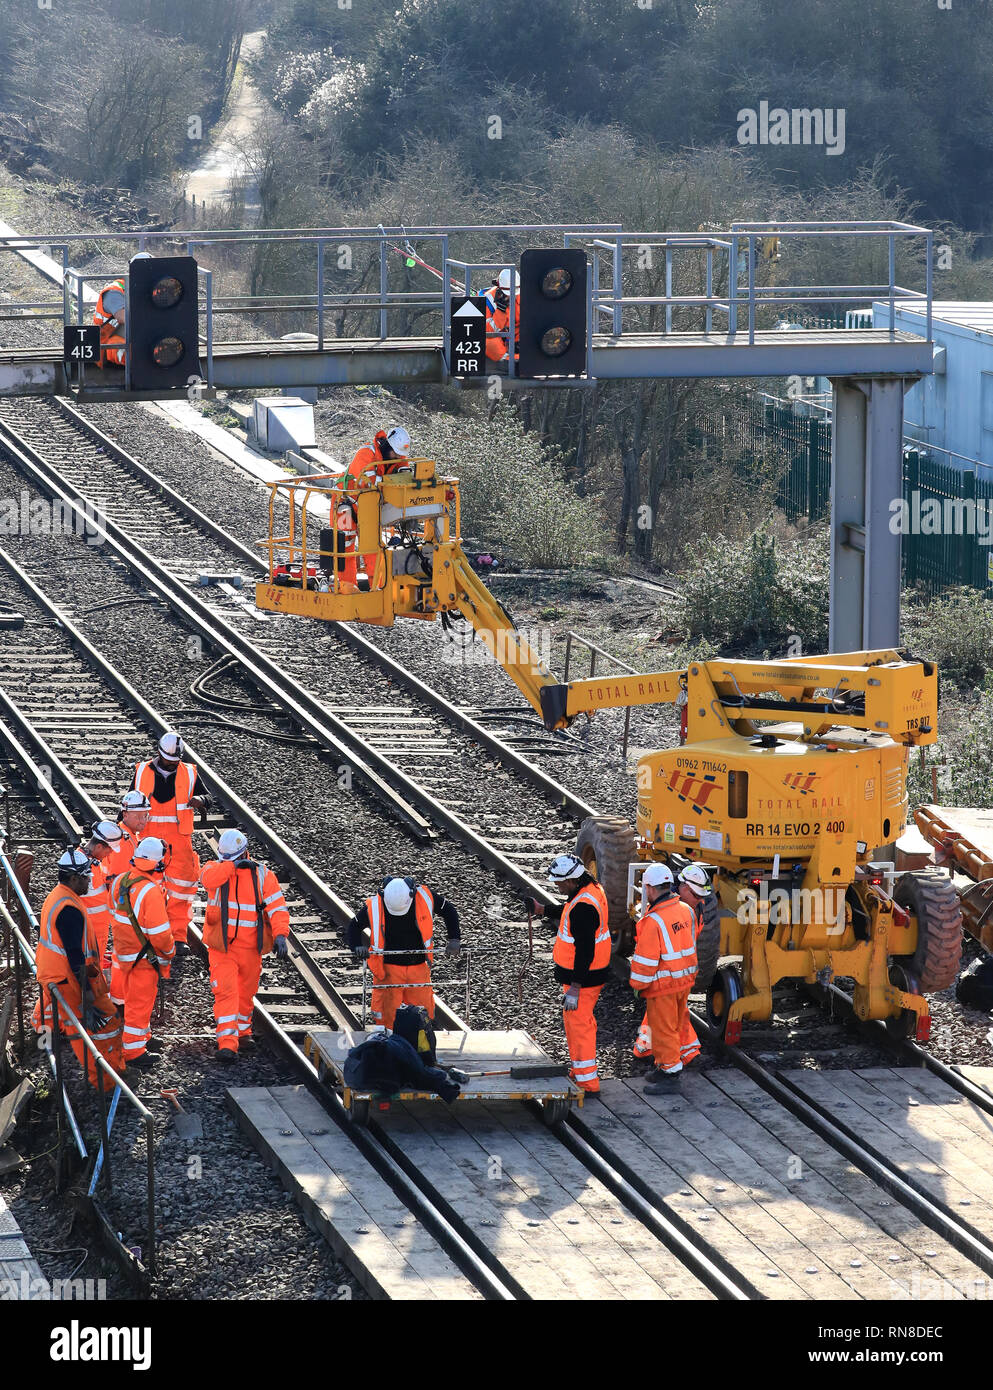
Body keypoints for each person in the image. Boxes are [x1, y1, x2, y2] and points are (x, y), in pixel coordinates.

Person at [32, 849, 123, 1090]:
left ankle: (114, 1071)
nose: (89, 882)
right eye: (85, 877)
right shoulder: (69, 908)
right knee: (87, 1029)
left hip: (59, 974)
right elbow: (74, 953)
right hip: (67, 979)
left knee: (94, 1024)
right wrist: (87, 994)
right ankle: (105, 1083)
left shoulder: (60, 896)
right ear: (73, 878)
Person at [200, 829, 290, 1064]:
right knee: (226, 992)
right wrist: (231, 865)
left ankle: (242, 1033)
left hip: (251, 948)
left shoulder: (262, 875)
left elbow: (277, 907)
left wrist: (281, 934)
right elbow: (208, 879)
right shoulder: (215, 869)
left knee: (246, 992)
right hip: (222, 948)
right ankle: (227, 1043)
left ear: (244, 853)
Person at [525, 854, 610, 1096]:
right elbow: (570, 910)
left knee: (579, 1026)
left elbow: (585, 950)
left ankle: (587, 1083)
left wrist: (575, 987)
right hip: (590, 975)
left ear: (571, 881)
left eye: (559, 883)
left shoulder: (584, 906)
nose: (557, 886)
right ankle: (581, 1072)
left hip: (583, 979)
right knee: (580, 1023)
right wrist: (543, 910)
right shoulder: (590, 890)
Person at [347, 877, 461, 1031]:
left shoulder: (425, 897)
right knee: (386, 1017)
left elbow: (449, 911)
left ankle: (420, 1041)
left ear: (411, 895)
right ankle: (387, 1042)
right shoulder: (375, 905)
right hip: (387, 970)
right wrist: (356, 946)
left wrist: (454, 938)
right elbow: (354, 926)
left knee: (421, 1015)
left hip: (418, 968)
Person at [132, 732, 209, 954]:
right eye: (169, 760)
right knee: (148, 889)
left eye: (176, 760)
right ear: (159, 753)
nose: (173, 764)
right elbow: (129, 805)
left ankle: (178, 938)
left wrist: (201, 800)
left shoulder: (189, 773)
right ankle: (147, 935)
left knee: (181, 891)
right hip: (148, 841)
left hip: (179, 843)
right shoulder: (141, 772)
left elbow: (209, 798)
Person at [632, 862, 711, 1067]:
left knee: (666, 1020)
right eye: (695, 895)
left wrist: (640, 984)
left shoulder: (688, 909)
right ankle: (660, 1050)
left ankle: (665, 1062)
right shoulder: (673, 912)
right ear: (683, 887)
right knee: (669, 1018)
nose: (699, 900)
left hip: (671, 979)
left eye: (701, 896)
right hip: (672, 978)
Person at [109, 837, 175, 1070]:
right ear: (158, 862)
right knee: (140, 1001)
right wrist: (168, 952)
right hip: (143, 958)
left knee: (133, 1000)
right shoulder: (151, 891)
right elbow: (159, 933)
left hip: (124, 954)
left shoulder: (121, 881)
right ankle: (133, 1050)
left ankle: (143, 1037)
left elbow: (113, 911)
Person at [105, 792, 152, 1007]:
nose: (144, 820)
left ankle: (119, 999)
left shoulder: (130, 836)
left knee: (121, 955)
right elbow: (119, 878)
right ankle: (119, 1001)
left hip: (123, 908)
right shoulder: (124, 840)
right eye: (139, 816)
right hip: (124, 909)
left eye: (146, 816)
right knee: (123, 955)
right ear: (125, 813)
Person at [78, 821, 126, 965]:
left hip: (95, 935)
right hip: (87, 936)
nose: (109, 854)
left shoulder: (91, 861)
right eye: (109, 850)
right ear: (99, 846)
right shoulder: (81, 865)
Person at [345, 427, 412, 488]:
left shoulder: (397, 456)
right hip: (347, 495)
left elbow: (406, 475)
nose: (399, 456)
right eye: (396, 453)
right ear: (387, 446)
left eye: (400, 454)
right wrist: (392, 481)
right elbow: (369, 482)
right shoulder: (366, 453)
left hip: (370, 496)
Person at [484, 269, 521, 365]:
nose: (512, 296)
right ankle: (508, 361)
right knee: (489, 343)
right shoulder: (489, 299)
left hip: (516, 335)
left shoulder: (522, 295)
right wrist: (500, 312)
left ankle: (522, 357)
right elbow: (488, 331)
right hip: (497, 337)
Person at [92, 278, 127, 369]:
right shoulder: (113, 292)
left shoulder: (129, 290)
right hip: (106, 347)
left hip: (119, 337)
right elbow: (124, 318)